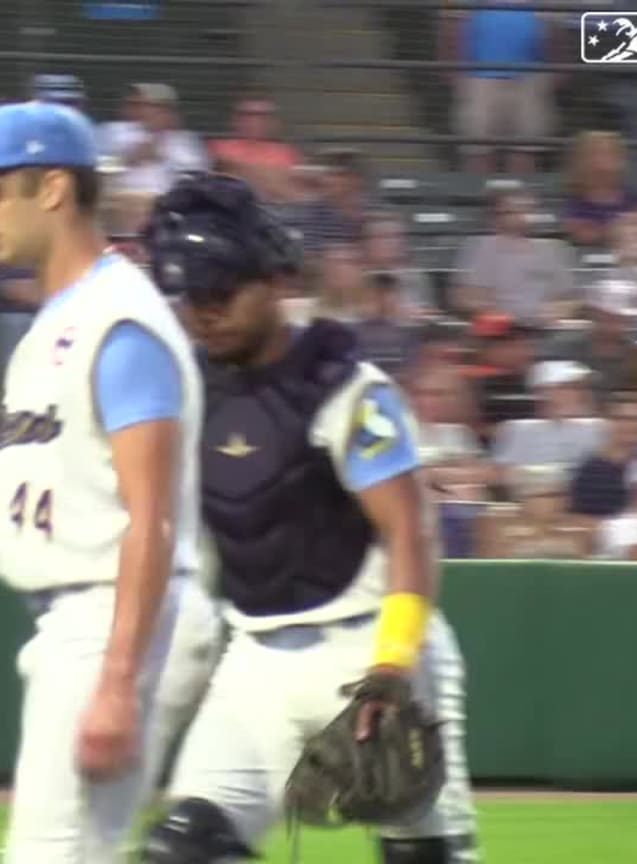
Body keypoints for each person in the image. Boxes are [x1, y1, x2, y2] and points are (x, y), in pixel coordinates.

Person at [139, 172, 477, 863]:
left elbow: (410, 530)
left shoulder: (346, 388)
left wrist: (392, 664)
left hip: (371, 654)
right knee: (182, 851)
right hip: (255, 660)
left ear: (272, 280)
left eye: (220, 290)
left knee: (422, 858)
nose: (202, 310)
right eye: (190, 295)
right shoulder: (190, 390)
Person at [0, 100, 206, 863]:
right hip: (82, 620)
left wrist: (119, 677)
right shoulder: (63, 319)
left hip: (113, 621)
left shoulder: (118, 322)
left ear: (52, 189)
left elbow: (151, 515)